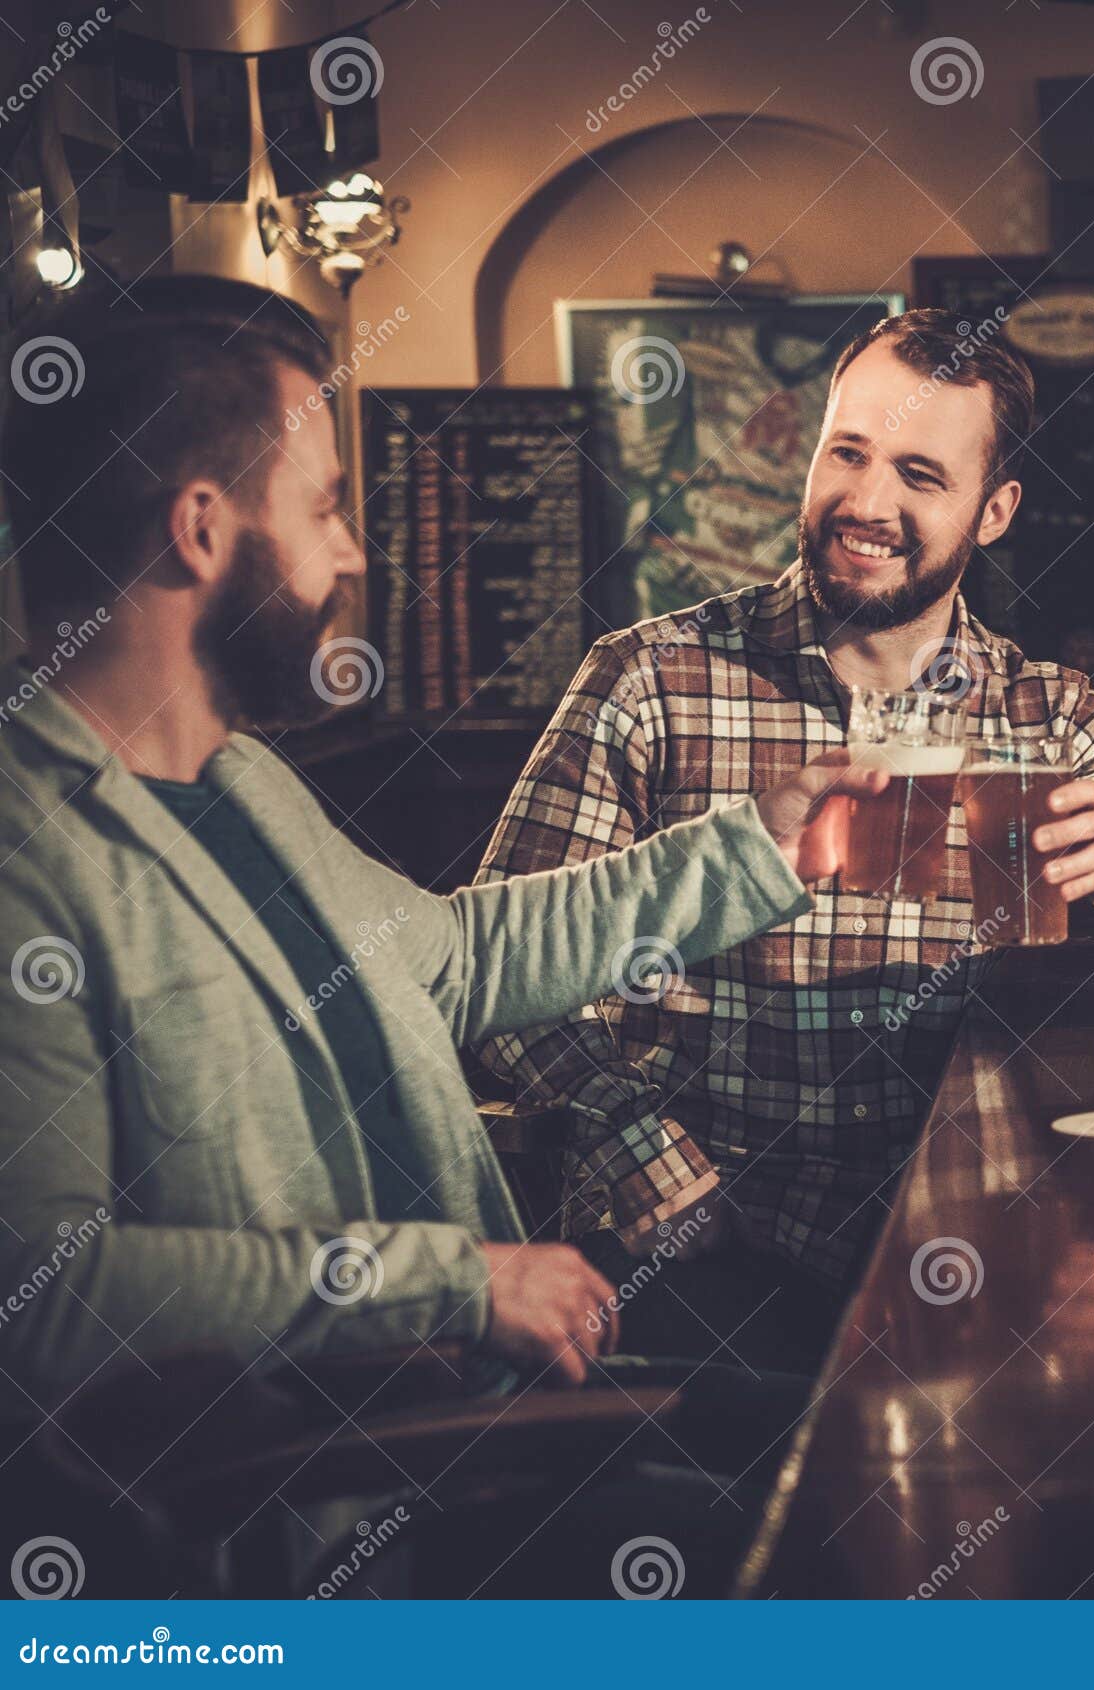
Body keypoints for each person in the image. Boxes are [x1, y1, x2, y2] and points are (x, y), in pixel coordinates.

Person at [0, 277, 890, 1594]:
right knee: (859, 1567)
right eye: (321, 508)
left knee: (883, 1470)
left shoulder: (241, 781)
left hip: (471, 1430)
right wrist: (455, 1282)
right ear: (200, 530)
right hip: (327, 1530)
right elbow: (50, 1297)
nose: (353, 552)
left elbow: (462, 955)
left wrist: (758, 839)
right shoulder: (28, 852)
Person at [474, 308, 1094, 1372]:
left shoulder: (1048, 715)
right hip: (704, 1243)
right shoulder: (651, 679)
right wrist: (650, 1169)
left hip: (963, 1239)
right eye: (847, 452)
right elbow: (500, 975)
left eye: (919, 476)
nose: (865, 502)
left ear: (992, 511)